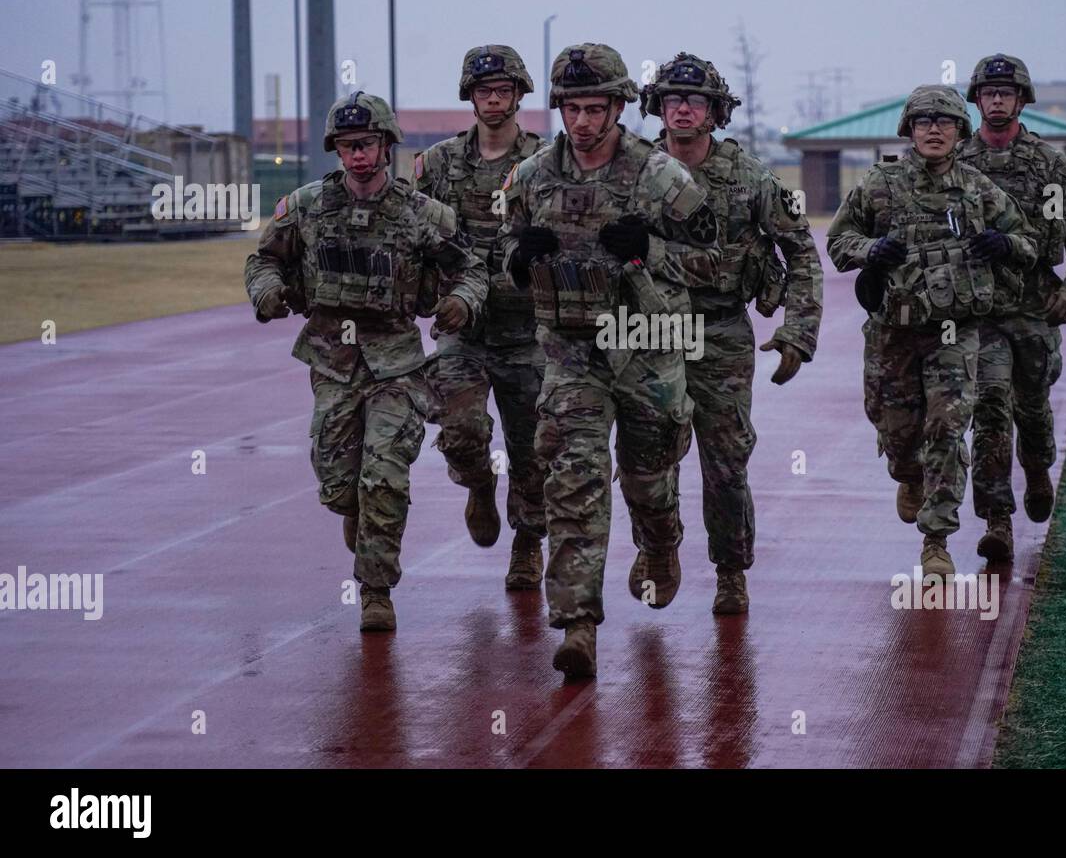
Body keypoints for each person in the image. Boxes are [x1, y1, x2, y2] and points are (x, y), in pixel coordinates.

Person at [499, 43, 719, 677]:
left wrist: (649, 250)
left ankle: (659, 546)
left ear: (619, 107)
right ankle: (577, 625)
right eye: (572, 109)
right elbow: (503, 255)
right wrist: (518, 259)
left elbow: (717, 263)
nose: (584, 122)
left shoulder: (660, 176)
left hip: (647, 348)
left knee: (648, 479)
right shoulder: (535, 176)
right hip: (571, 352)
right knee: (573, 481)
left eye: (596, 108)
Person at [245, 91, 487, 631]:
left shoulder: (422, 214)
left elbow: (471, 270)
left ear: (386, 146)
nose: (359, 156)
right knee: (338, 483)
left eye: (369, 144)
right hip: (333, 361)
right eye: (349, 146)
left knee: (385, 476)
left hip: (398, 364)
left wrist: (459, 302)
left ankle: (376, 590)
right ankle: (352, 505)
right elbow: (263, 259)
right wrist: (265, 293)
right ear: (337, 149)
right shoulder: (307, 207)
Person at [826, 85, 1036, 576]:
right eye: (924, 122)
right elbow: (839, 241)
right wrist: (869, 252)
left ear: (960, 131)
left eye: (945, 122)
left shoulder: (979, 189)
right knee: (897, 434)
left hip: (953, 332)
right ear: (910, 130)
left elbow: (1028, 241)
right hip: (891, 333)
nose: (935, 129)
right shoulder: (879, 184)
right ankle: (906, 473)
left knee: (947, 426)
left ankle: (936, 541)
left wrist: (1003, 244)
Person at [641, 52, 823, 613]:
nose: (683, 110)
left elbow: (801, 252)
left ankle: (730, 571)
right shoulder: (637, 173)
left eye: (696, 101)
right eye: (673, 100)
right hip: (650, 333)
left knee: (724, 462)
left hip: (721, 335)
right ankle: (658, 547)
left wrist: (799, 332)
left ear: (716, 112)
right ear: (658, 108)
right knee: (649, 455)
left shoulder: (752, 178)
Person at [958, 54, 1066, 559]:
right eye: (988, 92)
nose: (997, 100)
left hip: (1036, 308)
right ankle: (998, 518)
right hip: (978, 312)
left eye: (1006, 92)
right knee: (990, 407)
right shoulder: (956, 164)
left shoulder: (1053, 166)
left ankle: (1038, 468)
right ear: (976, 100)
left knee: (1033, 406)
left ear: (1021, 100)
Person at [414, 46, 549, 590]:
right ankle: (478, 487)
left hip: (528, 333)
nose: (493, 100)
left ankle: (527, 543)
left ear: (519, 96)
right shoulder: (438, 165)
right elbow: (415, 235)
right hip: (462, 330)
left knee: (533, 447)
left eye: (503, 91)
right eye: (483, 91)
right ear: (469, 96)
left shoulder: (544, 162)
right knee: (462, 431)